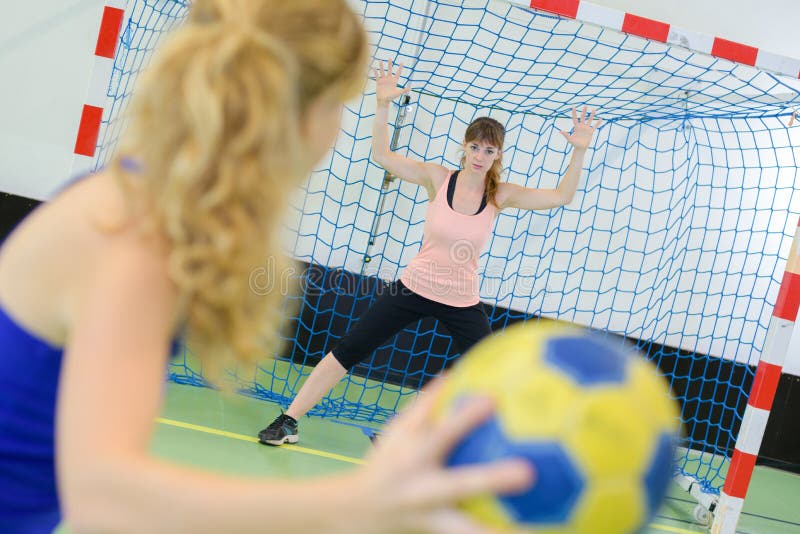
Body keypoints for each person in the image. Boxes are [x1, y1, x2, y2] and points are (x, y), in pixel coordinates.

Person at [0, 2, 534, 532]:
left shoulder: (170, 210)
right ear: (301, 111)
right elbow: (104, 495)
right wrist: (359, 501)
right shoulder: (136, 235)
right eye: (340, 104)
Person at [258, 60, 603, 446]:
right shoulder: (438, 178)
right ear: (465, 147)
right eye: (475, 146)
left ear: (497, 155)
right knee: (349, 349)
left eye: (489, 150)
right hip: (413, 288)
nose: (479, 155)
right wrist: (384, 103)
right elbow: (383, 156)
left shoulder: (499, 194)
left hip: (461, 301)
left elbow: (561, 196)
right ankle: (289, 420)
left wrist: (579, 153)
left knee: (490, 375)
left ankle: (429, 437)